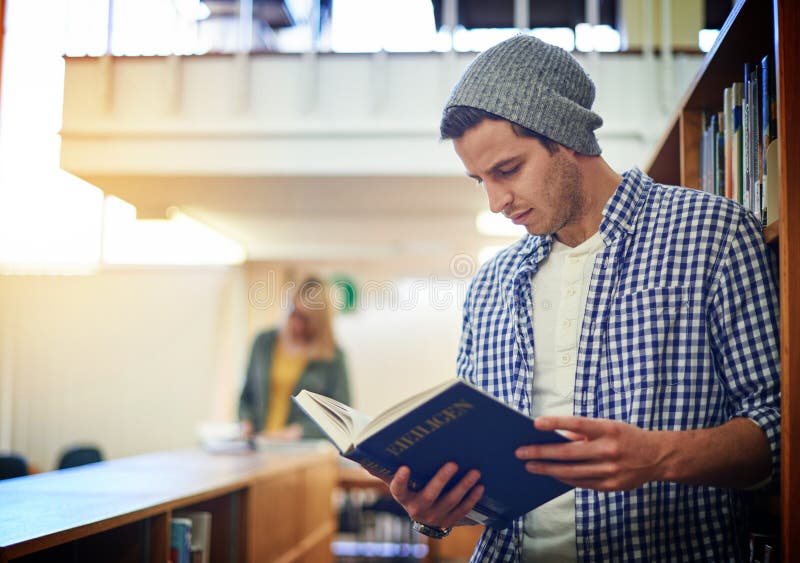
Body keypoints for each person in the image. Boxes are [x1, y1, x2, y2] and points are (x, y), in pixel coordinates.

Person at [382, 35, 781, 561]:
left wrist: (662, 456)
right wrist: (434, 511)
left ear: (566, 136)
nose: (497, 201)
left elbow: (776, 427)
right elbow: (478, 458)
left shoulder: (714, 234)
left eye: (508, 170)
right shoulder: (491, 284)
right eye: (479, 180)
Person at [238, 276, 350, 441]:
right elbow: (246, 396)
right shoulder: (263, 343)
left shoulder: (332, 357)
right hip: (259, 442)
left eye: (305, 319)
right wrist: (245, 423)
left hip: (301, 449)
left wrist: (298, 432)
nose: (297, 324)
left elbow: (341, 417)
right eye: (294, 314)